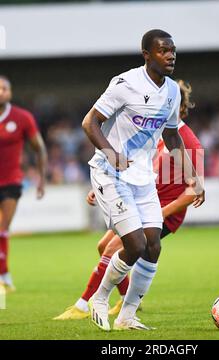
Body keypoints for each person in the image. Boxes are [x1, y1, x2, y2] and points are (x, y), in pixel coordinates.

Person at [81, 29, 204, 331]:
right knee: (134, 244)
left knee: (153, 245)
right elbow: (90, 122)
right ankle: (99, 298)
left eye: (173, 50)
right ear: (147, 55)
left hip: (142, 177)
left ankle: (127, 316)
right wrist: (110, 154)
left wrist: (193, 177)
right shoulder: (125, 84)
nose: (170, 55)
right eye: (163, 50)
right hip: (111, 173)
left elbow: (172, 135)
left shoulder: (173, 91)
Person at [54, 79, 204, 321]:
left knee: (115, 248)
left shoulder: (189, 142)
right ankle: (126, 300)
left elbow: (193, 189)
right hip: (142, 200)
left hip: (166, 213)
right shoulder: (155, 135)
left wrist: (162, 213)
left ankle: (83, 305)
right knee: (104, 246)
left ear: (178, 108)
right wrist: (106, 186)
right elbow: (143, 171)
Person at [0, 76, 47, 292]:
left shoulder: (22, 117)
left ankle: (5, 276)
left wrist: (41, 179)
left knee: (2, 227)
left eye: (4, 88)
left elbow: (39, 148)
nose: (1, 91)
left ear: (10, 92)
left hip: (11, 182)